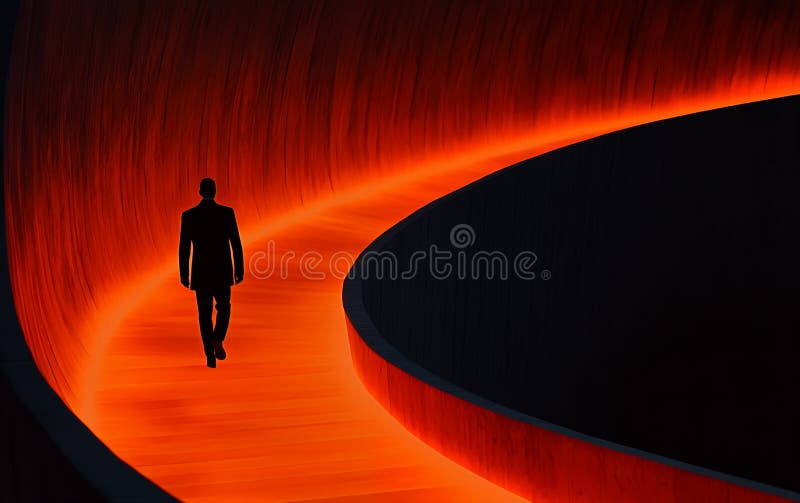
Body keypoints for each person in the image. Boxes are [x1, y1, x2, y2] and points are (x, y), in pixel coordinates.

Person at [179, 178, 244, 368]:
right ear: (214, 192)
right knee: (224, 307)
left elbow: (184, 248)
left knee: (204, 315)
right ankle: (218, 338)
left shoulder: (189, 216)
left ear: (200, 192)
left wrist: (184, 274)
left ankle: (209, 355)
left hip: (201, 273)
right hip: (222, 271)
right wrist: (239, 270)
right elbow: (236, 243)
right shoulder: (226, 213)